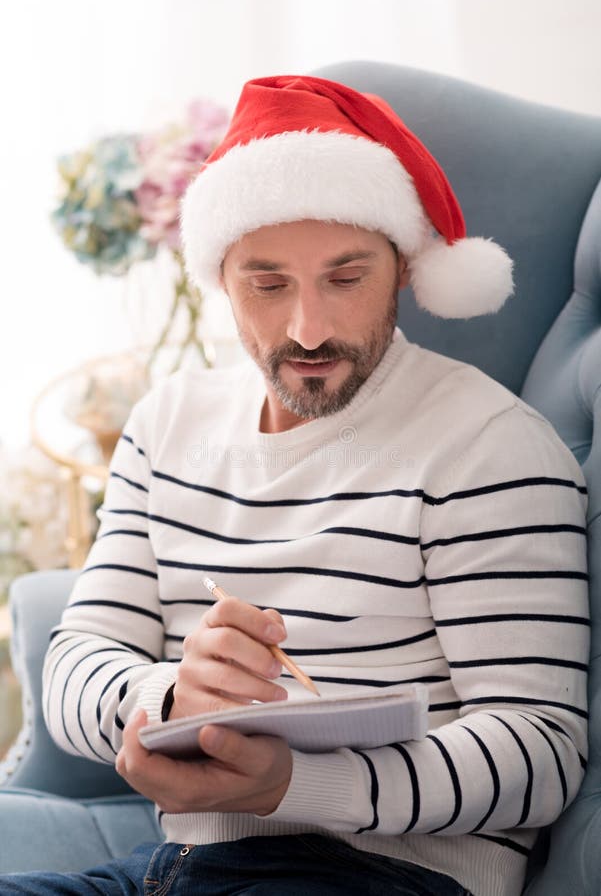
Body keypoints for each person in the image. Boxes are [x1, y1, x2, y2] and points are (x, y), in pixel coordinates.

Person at [2, 76, 589, 896]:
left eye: (344, 279)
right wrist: (172, 695)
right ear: (220, 280)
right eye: (267, 285)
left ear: (402, 269)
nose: (307, 329)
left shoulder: (487, 447)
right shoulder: (167, 420)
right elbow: (77, 663)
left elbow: (538, 753)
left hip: (385, 877)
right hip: (172, 872)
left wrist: (287, 785)